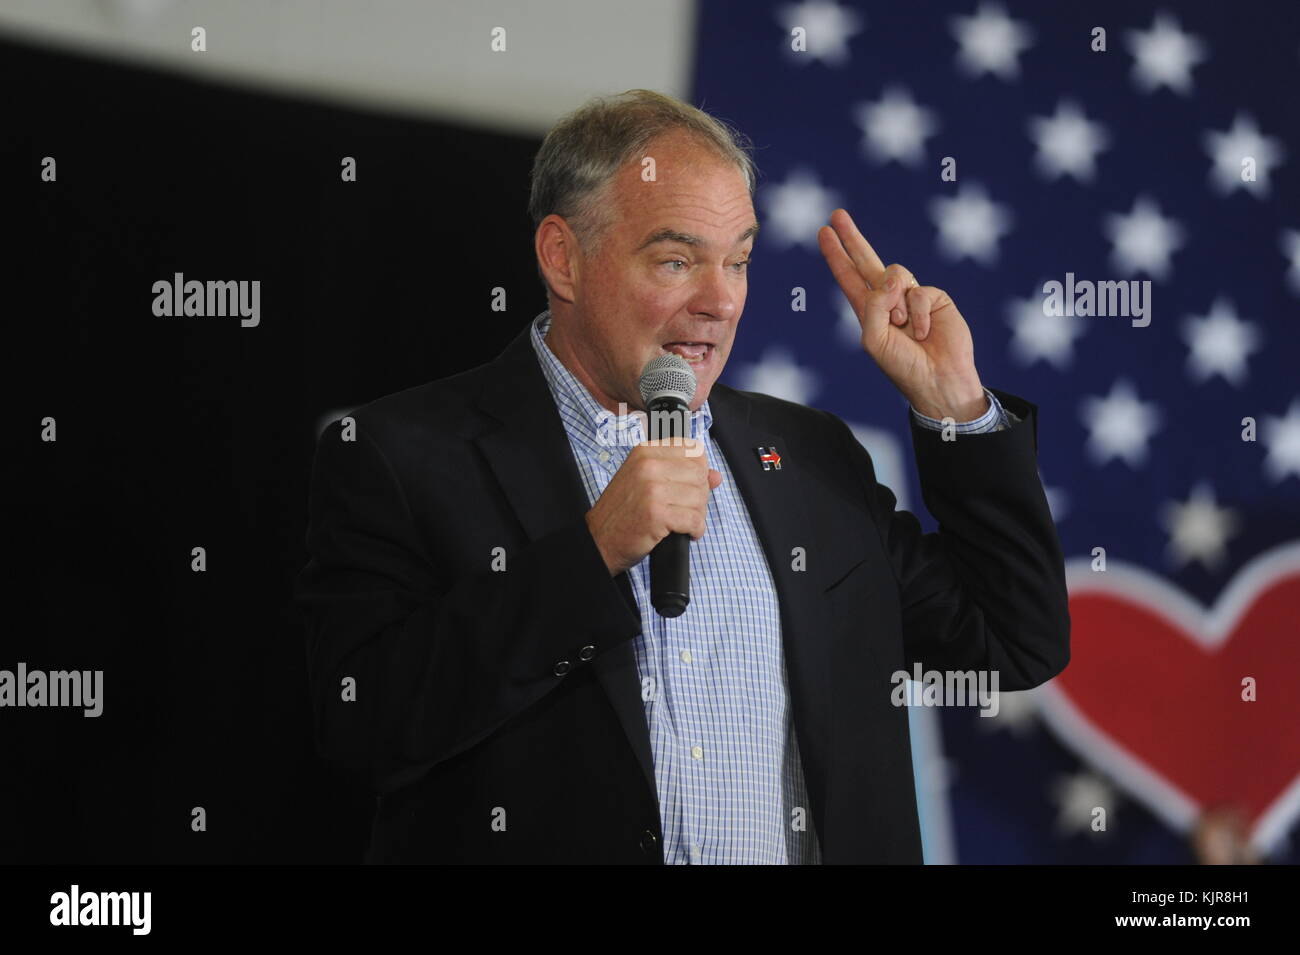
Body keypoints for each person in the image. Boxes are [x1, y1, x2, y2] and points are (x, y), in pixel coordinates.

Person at [294, 88, 1070, 864]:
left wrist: (957, 409)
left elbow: (1010, 640)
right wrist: (589, 555)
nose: (721, 301)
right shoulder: (404, 454)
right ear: (563, 257)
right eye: (676, 260)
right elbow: (362, 726)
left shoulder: (809, 457)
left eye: (738, 260)